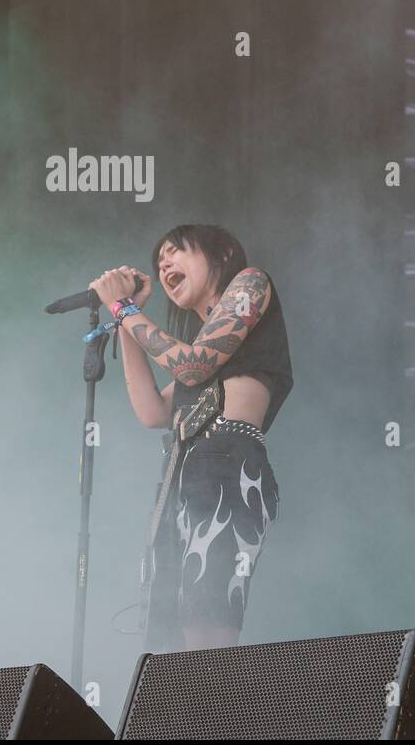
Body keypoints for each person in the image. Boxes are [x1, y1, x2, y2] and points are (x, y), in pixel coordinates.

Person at [87, 224, 293, 651]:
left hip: (226, 465)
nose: (164, 263)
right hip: (184, 476)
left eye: (176, 251)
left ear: (222, 255)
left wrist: (125, 309)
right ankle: (185, 715)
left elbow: (193, 367)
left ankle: (217, 713)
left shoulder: (251, 283)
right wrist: (123, 319)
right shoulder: (202, 345)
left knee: (207, 625)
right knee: (170, 632)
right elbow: (152, 412)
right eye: (159, 258)